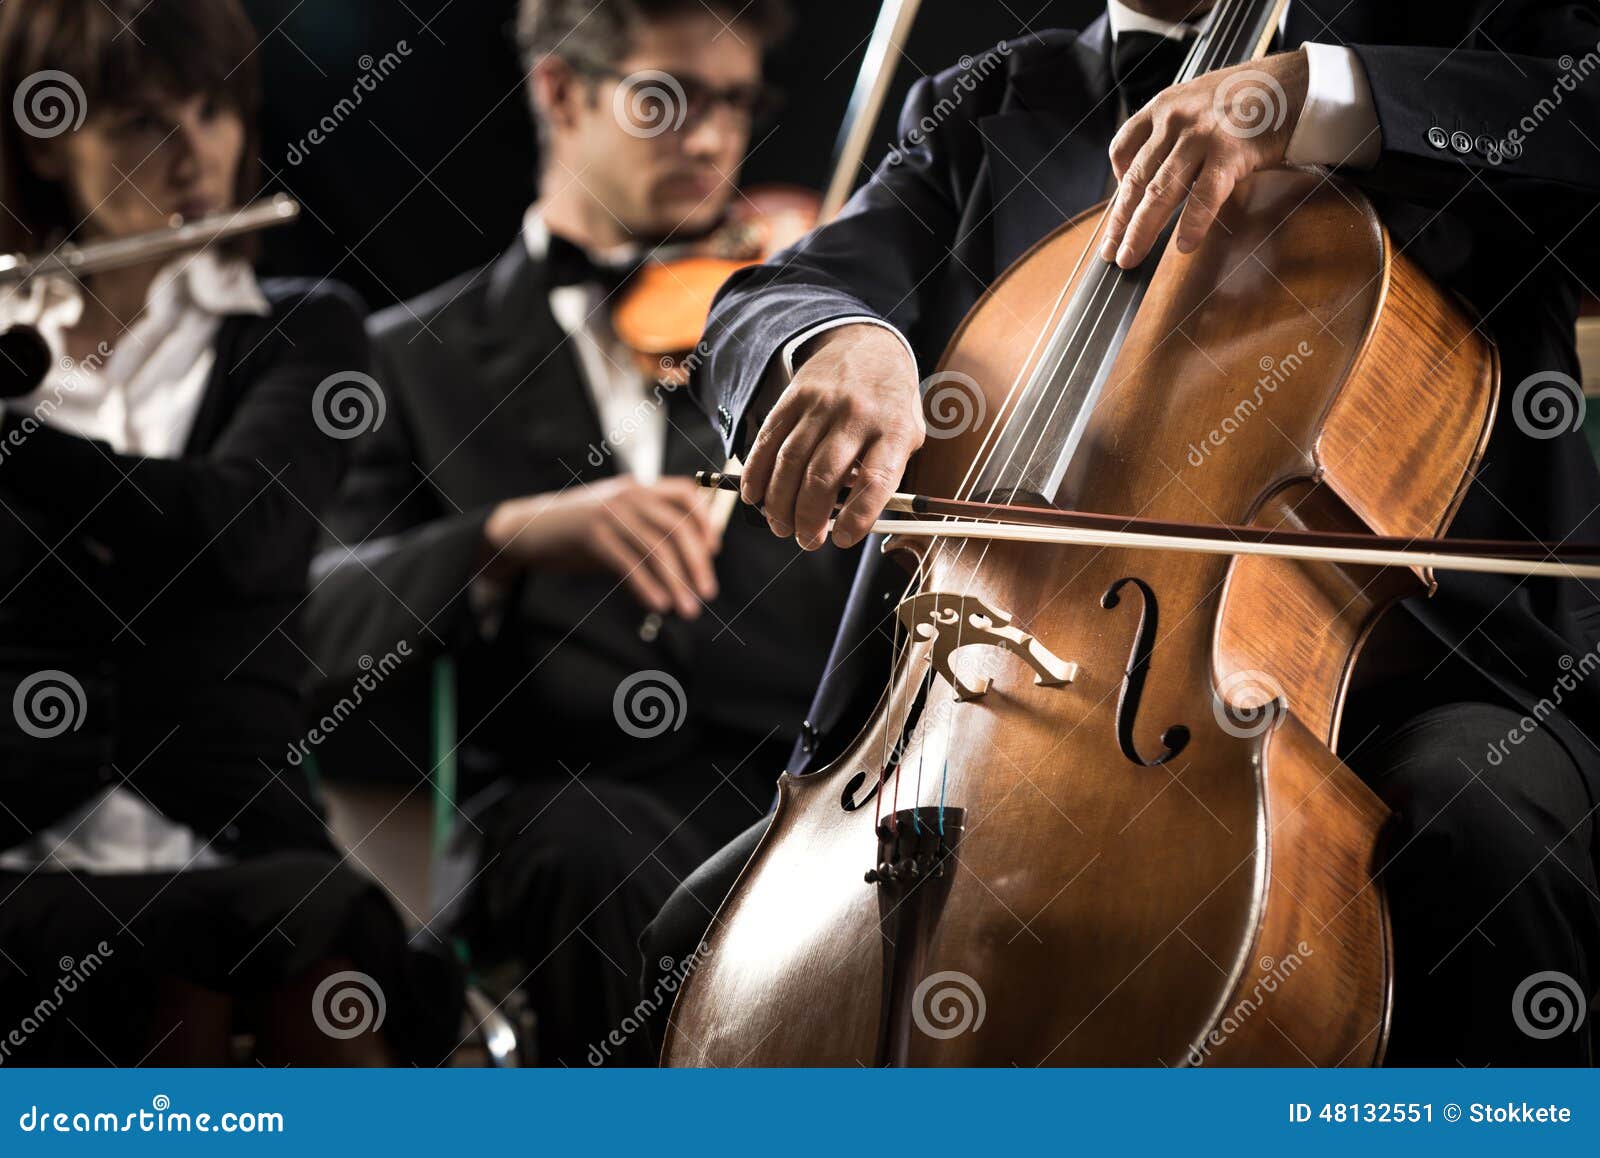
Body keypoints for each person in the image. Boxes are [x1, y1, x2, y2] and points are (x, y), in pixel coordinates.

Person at [651, 0, 1600, 1065]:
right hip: (990, 707)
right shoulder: (989, 105)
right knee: (697, 938)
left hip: (1428, 684)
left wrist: (1326, 95)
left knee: (1476, 827)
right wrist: (833, 341)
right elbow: (773, 297)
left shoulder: (1472, 42)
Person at [302, 0, 859, 1067]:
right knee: (586, 847)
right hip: (567, 829)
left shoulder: (805, 329)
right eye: (668, 98)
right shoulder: (403, 360)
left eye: (735, 101)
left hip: (807, 807)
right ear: (560, 92)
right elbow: (310, 627)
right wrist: (506, 535)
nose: (710, 140)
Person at [0, 0, 459, 1066]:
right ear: (44, 142)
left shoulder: (304, 331)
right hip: (21, 856)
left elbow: (240, 533)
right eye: (138, 126)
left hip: (232, 845)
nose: (192, 155)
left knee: (286, 933)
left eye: (211, 110)